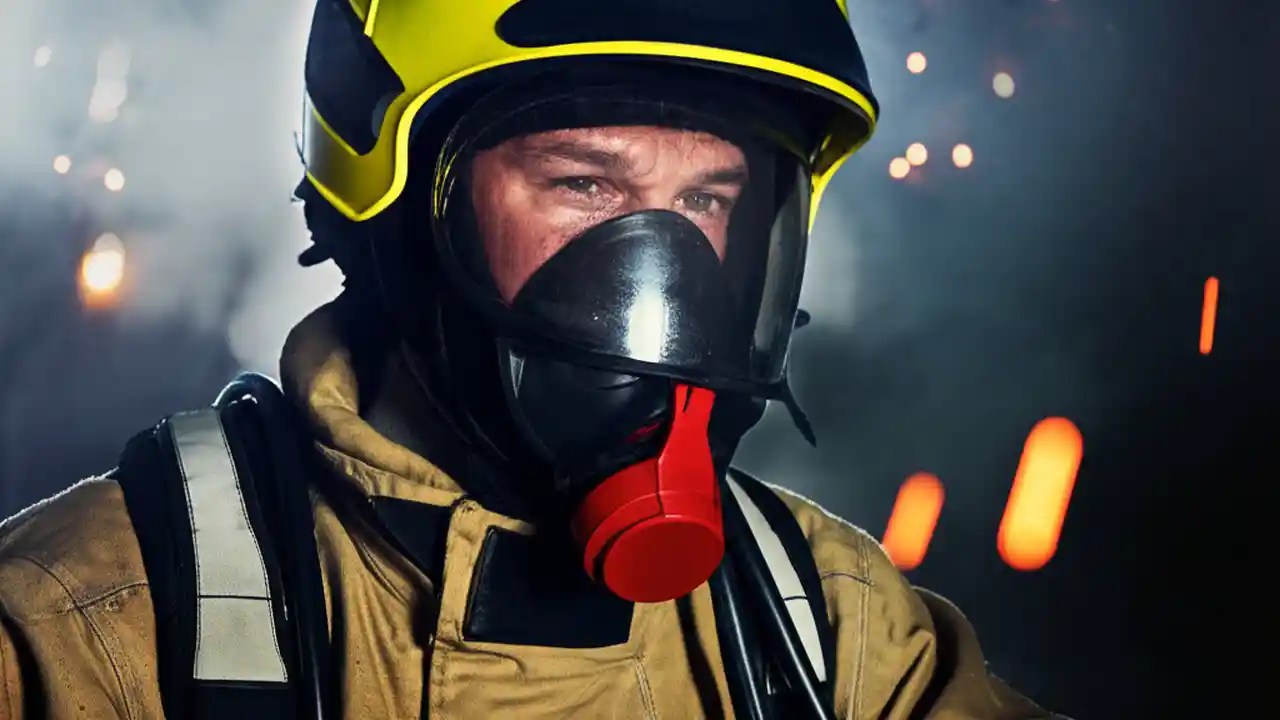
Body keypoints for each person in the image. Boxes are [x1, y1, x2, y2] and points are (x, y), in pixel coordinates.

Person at [0, 1, 1062, 718]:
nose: (664, 278)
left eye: (705, 203)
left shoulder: (827, 627)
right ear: (408, 210)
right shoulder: (88, 628)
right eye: (583, 187)